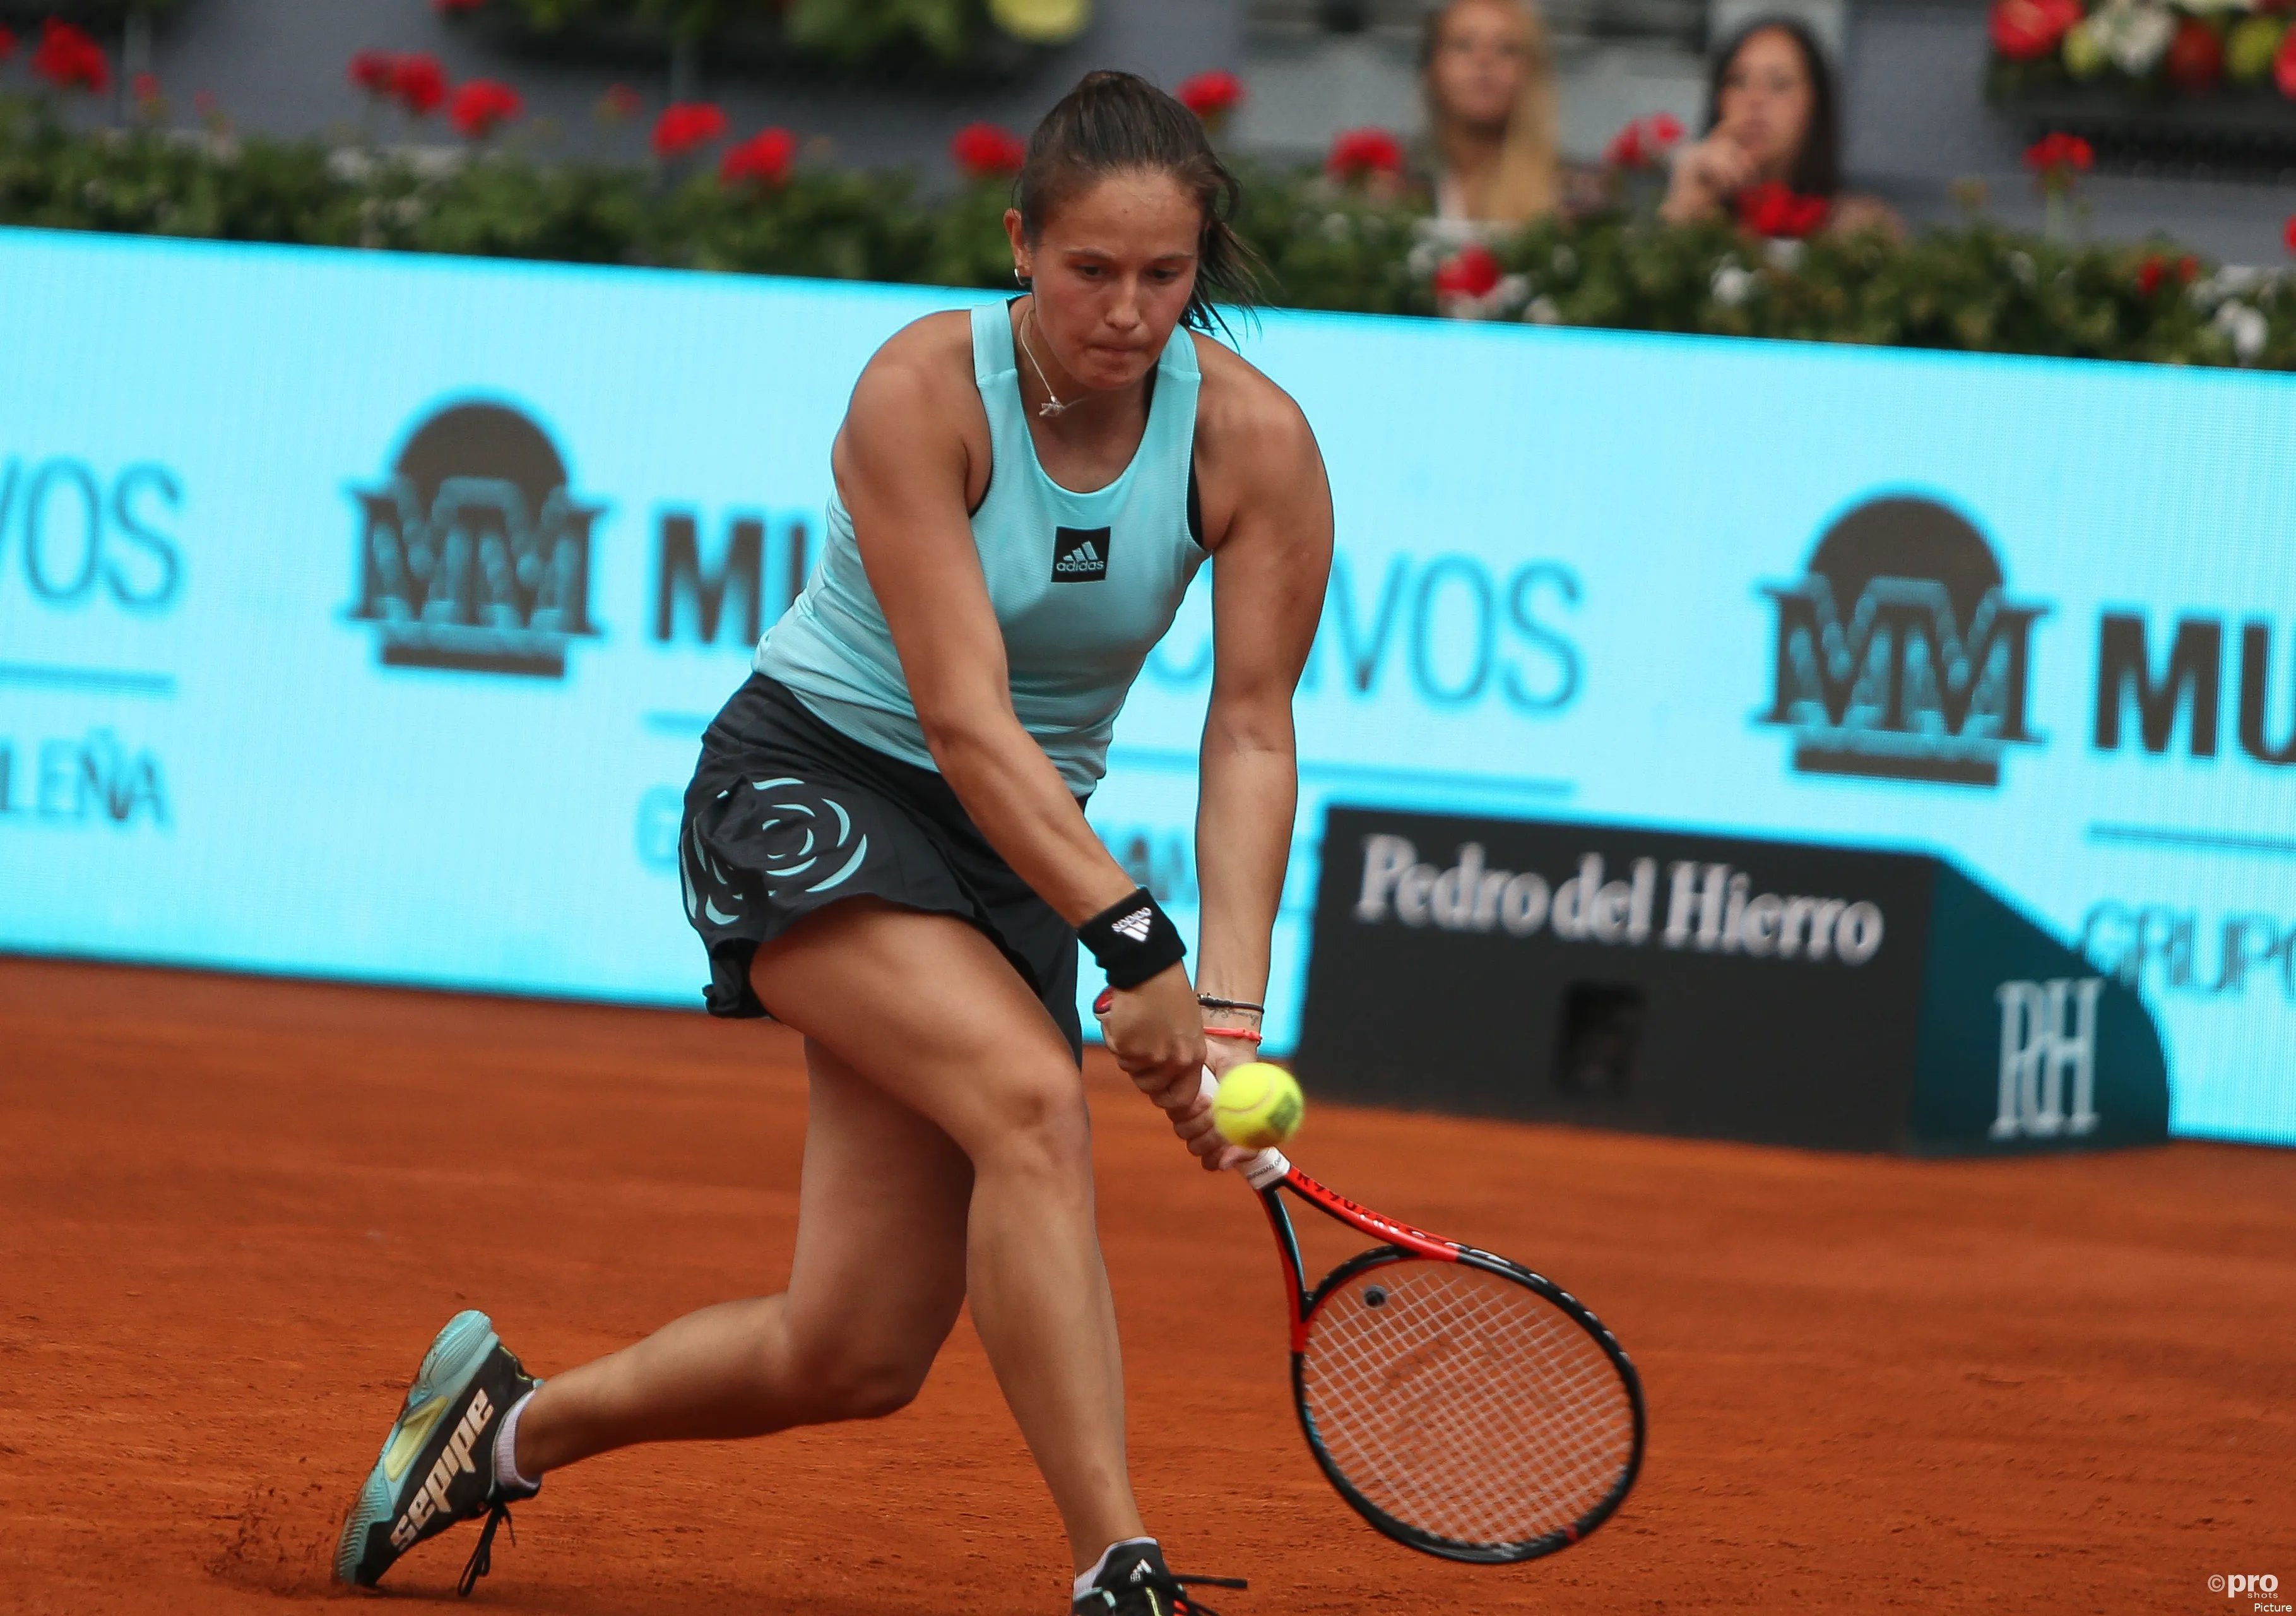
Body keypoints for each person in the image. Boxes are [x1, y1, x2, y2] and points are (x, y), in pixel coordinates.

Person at [331, 69, 1334, 1616]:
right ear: (1019, 243)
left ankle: (498, 1428)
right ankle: (1114, 1566)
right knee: (1031, 1103)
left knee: (851, 1348)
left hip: (1013, 852)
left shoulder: (1253, 442)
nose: (1128, 312)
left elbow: (1251, 729)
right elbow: (963, 719)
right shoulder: (919, 392)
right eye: (1089, 269)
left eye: (1163, 273)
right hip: (814, 784)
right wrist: (1134, 937)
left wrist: (1226, 1013)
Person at [1659, 16, 1900, 238]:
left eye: (1779, 84)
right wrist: (1687, 203)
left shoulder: (1859, 227)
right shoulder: (1701, 212)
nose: (1755, 99)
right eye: (1738, 81)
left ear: (1815, 102)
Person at [1419, 0, 1561, 226]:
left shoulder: (1568, 199)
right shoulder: (1391, 187)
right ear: (1430, 70)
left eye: (1506, 49)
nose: (1484, 60)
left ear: (1531, 73)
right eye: (1464, 45)